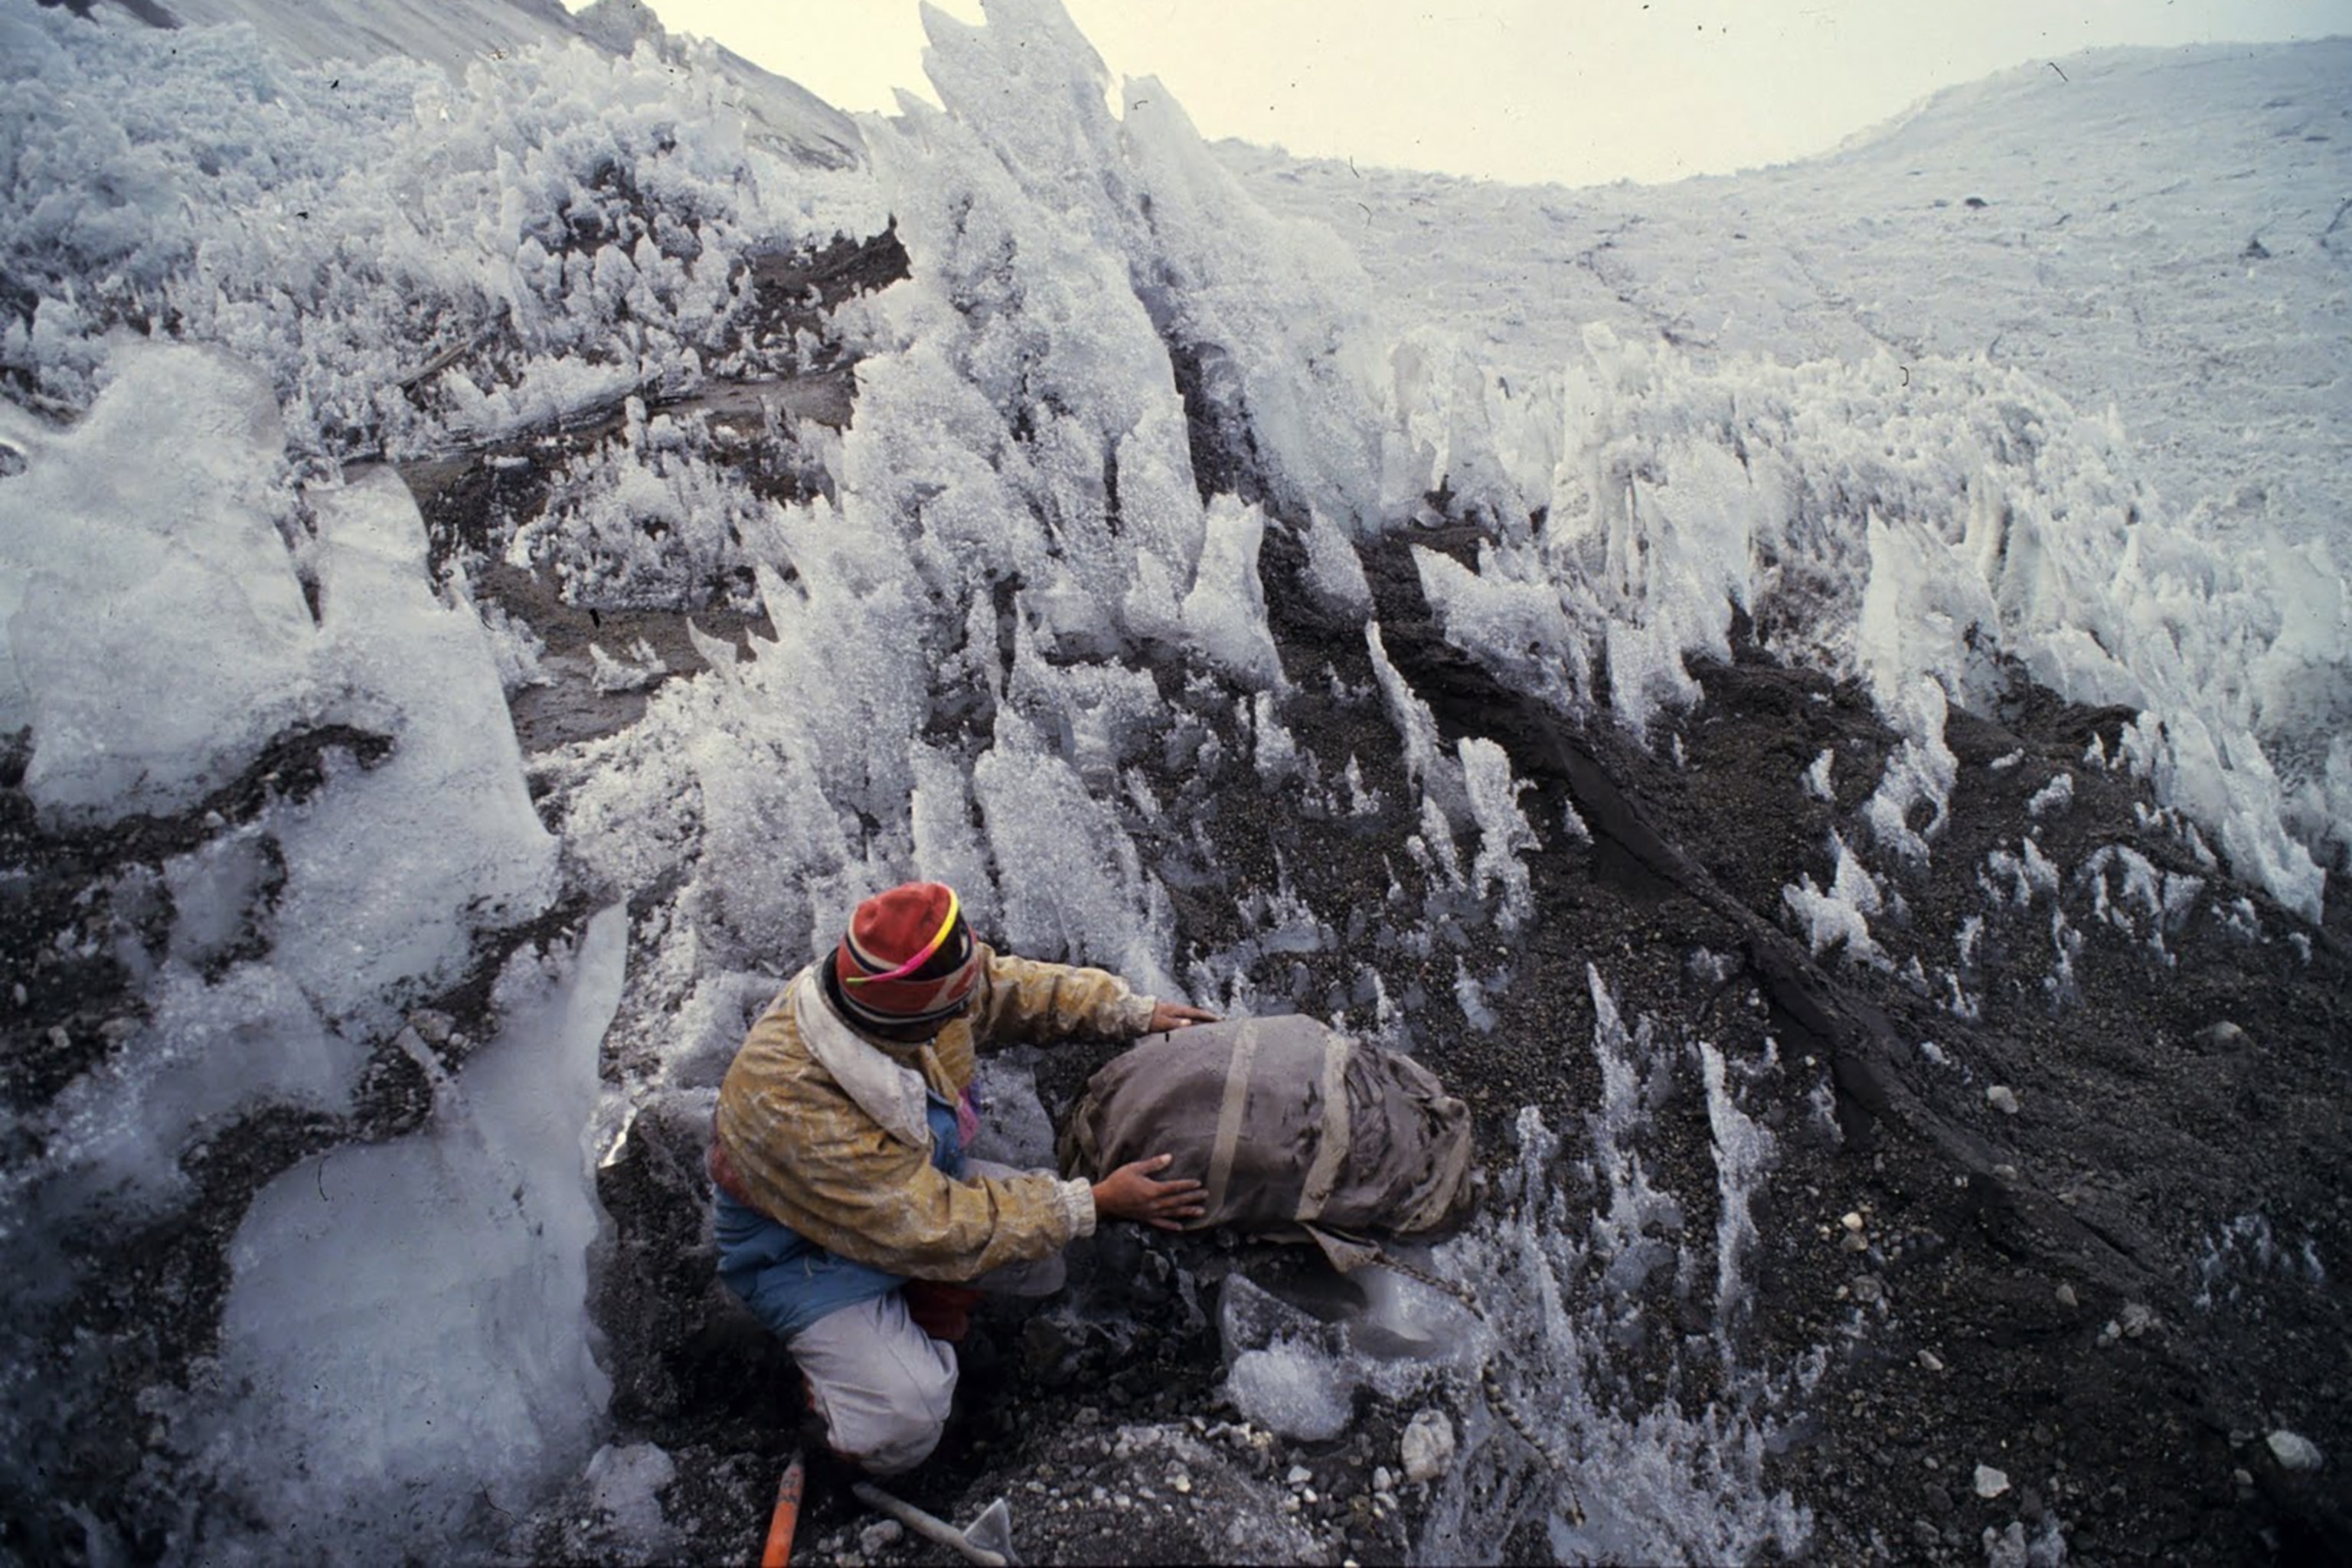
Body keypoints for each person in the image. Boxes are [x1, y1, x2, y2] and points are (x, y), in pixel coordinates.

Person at [708, 880, 1216, 1475]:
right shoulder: (792, 1104)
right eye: (951, 1010)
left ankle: (926, 1311)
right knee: (907, 1420)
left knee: (1041, 1264)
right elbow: (931, 1225)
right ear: (904, 1021)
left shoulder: (897, 995)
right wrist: (1094, 1203)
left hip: (907, 1190)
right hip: (803, 1252)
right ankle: (832, 1414)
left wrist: (1128, 1011)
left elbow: (999, 989)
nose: (966, 1011)